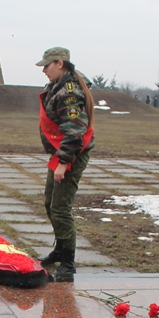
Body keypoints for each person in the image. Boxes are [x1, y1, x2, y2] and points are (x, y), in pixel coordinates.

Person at [35, 46, 95, 280]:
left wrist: (63, 163)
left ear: (60, 64)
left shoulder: (69, 92)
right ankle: (60, 249)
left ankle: (68, 263)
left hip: (71, 154)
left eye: (47, 66)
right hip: (60, 153)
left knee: (60, 208)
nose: (44, 71)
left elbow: (76, 131)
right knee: (51, 204)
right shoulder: (56, 86)